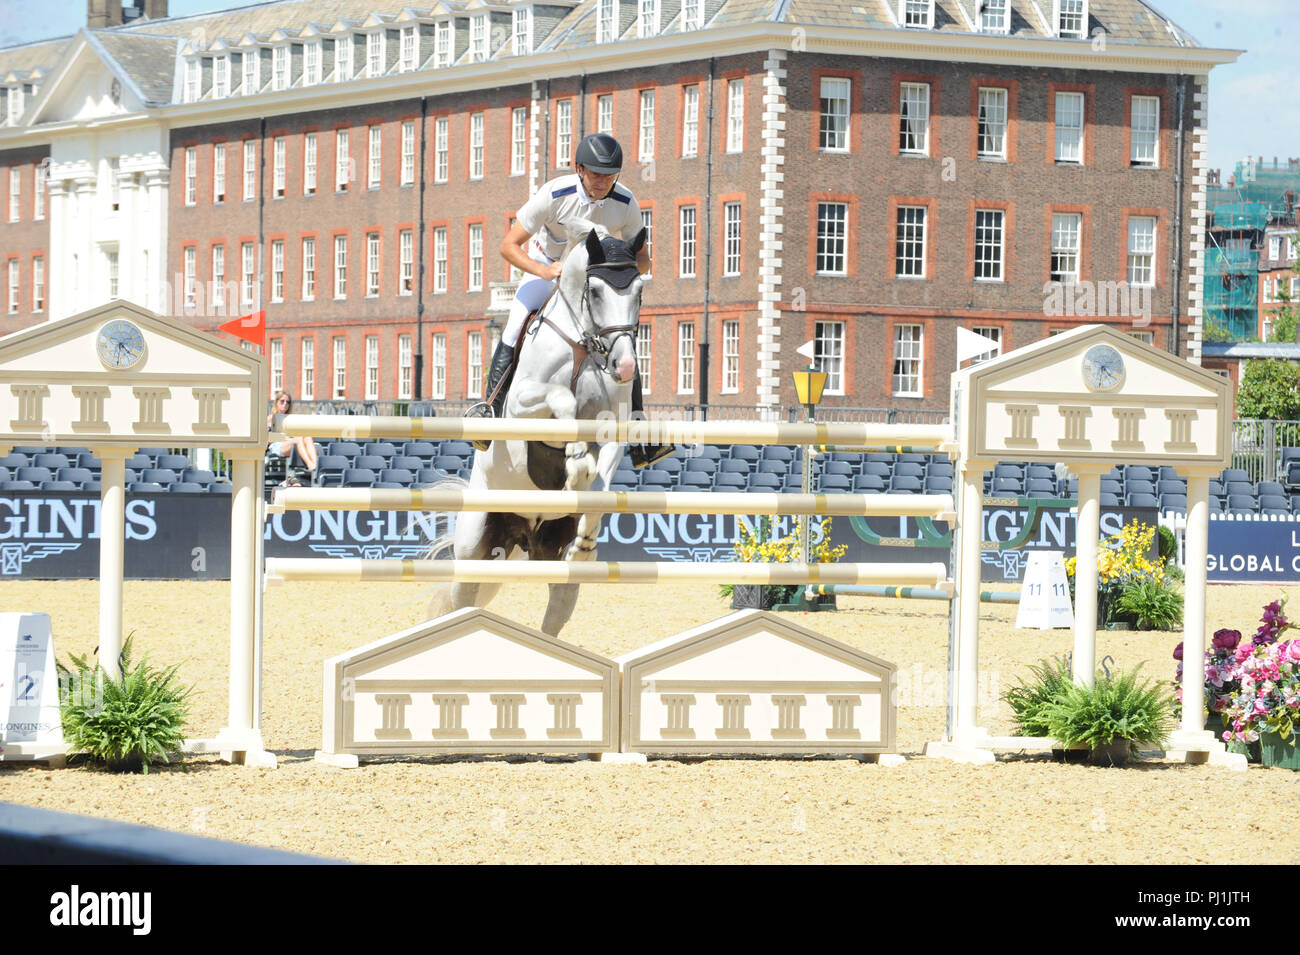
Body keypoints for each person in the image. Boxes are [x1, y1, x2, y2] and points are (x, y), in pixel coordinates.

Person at [469, 132, 671, 467]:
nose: (602, 182)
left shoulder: (625, 202)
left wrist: (621, 266)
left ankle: (638, 433)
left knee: (622, 338)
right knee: (515, 323)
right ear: (579, 169)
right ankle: (489, 409)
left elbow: (643, 260)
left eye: (609, 176)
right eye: (595, 174)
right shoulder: (554, 194)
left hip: (592, 281)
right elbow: (508, 246)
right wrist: (544, 270)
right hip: (548, 268)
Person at [267, 391, 318, 486]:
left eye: (288, 402)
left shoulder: (290, 418)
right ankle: (310, 464)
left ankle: (315, 465)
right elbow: (268, 440)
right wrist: (286, 437)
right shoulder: (270, 418)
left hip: (291, 442)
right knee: (299, 439)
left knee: (307, 437)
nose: (285, 404)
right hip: (278, 445)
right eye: (282, 401)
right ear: (276, 402)